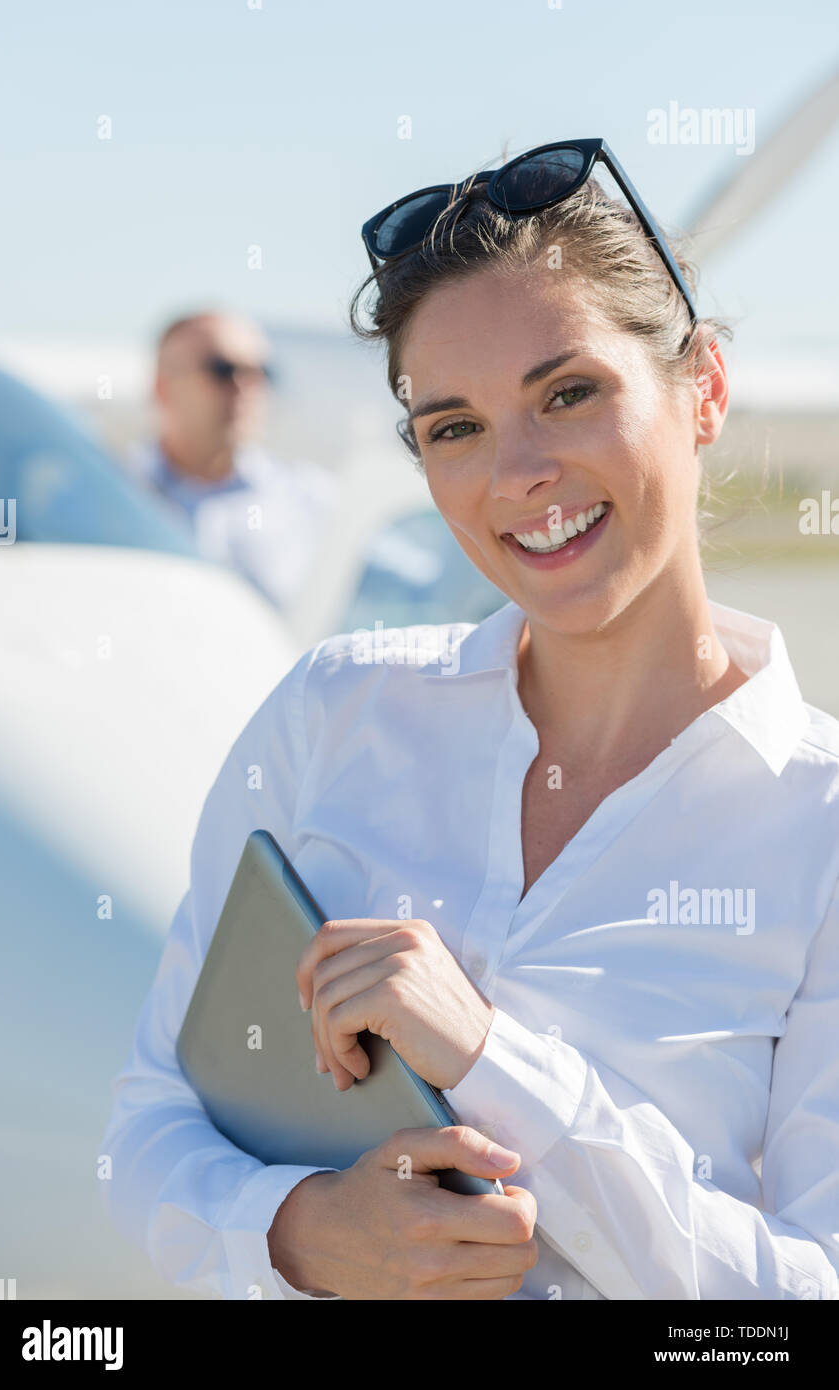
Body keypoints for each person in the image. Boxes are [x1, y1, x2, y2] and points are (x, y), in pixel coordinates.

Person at [100, 141, 839, 1300]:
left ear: (703, 386)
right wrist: (292, 1232)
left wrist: (497, 1062)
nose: (520, 473)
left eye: (568, 393)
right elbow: (151, 1122)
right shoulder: (330, 712)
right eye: (455, 427)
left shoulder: (822, 819)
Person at [128, 310, 335, 612]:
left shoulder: (315, 501)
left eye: (261, 373)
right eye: (223, 370)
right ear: (162, 387)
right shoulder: (113, 493)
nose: (246, 388)